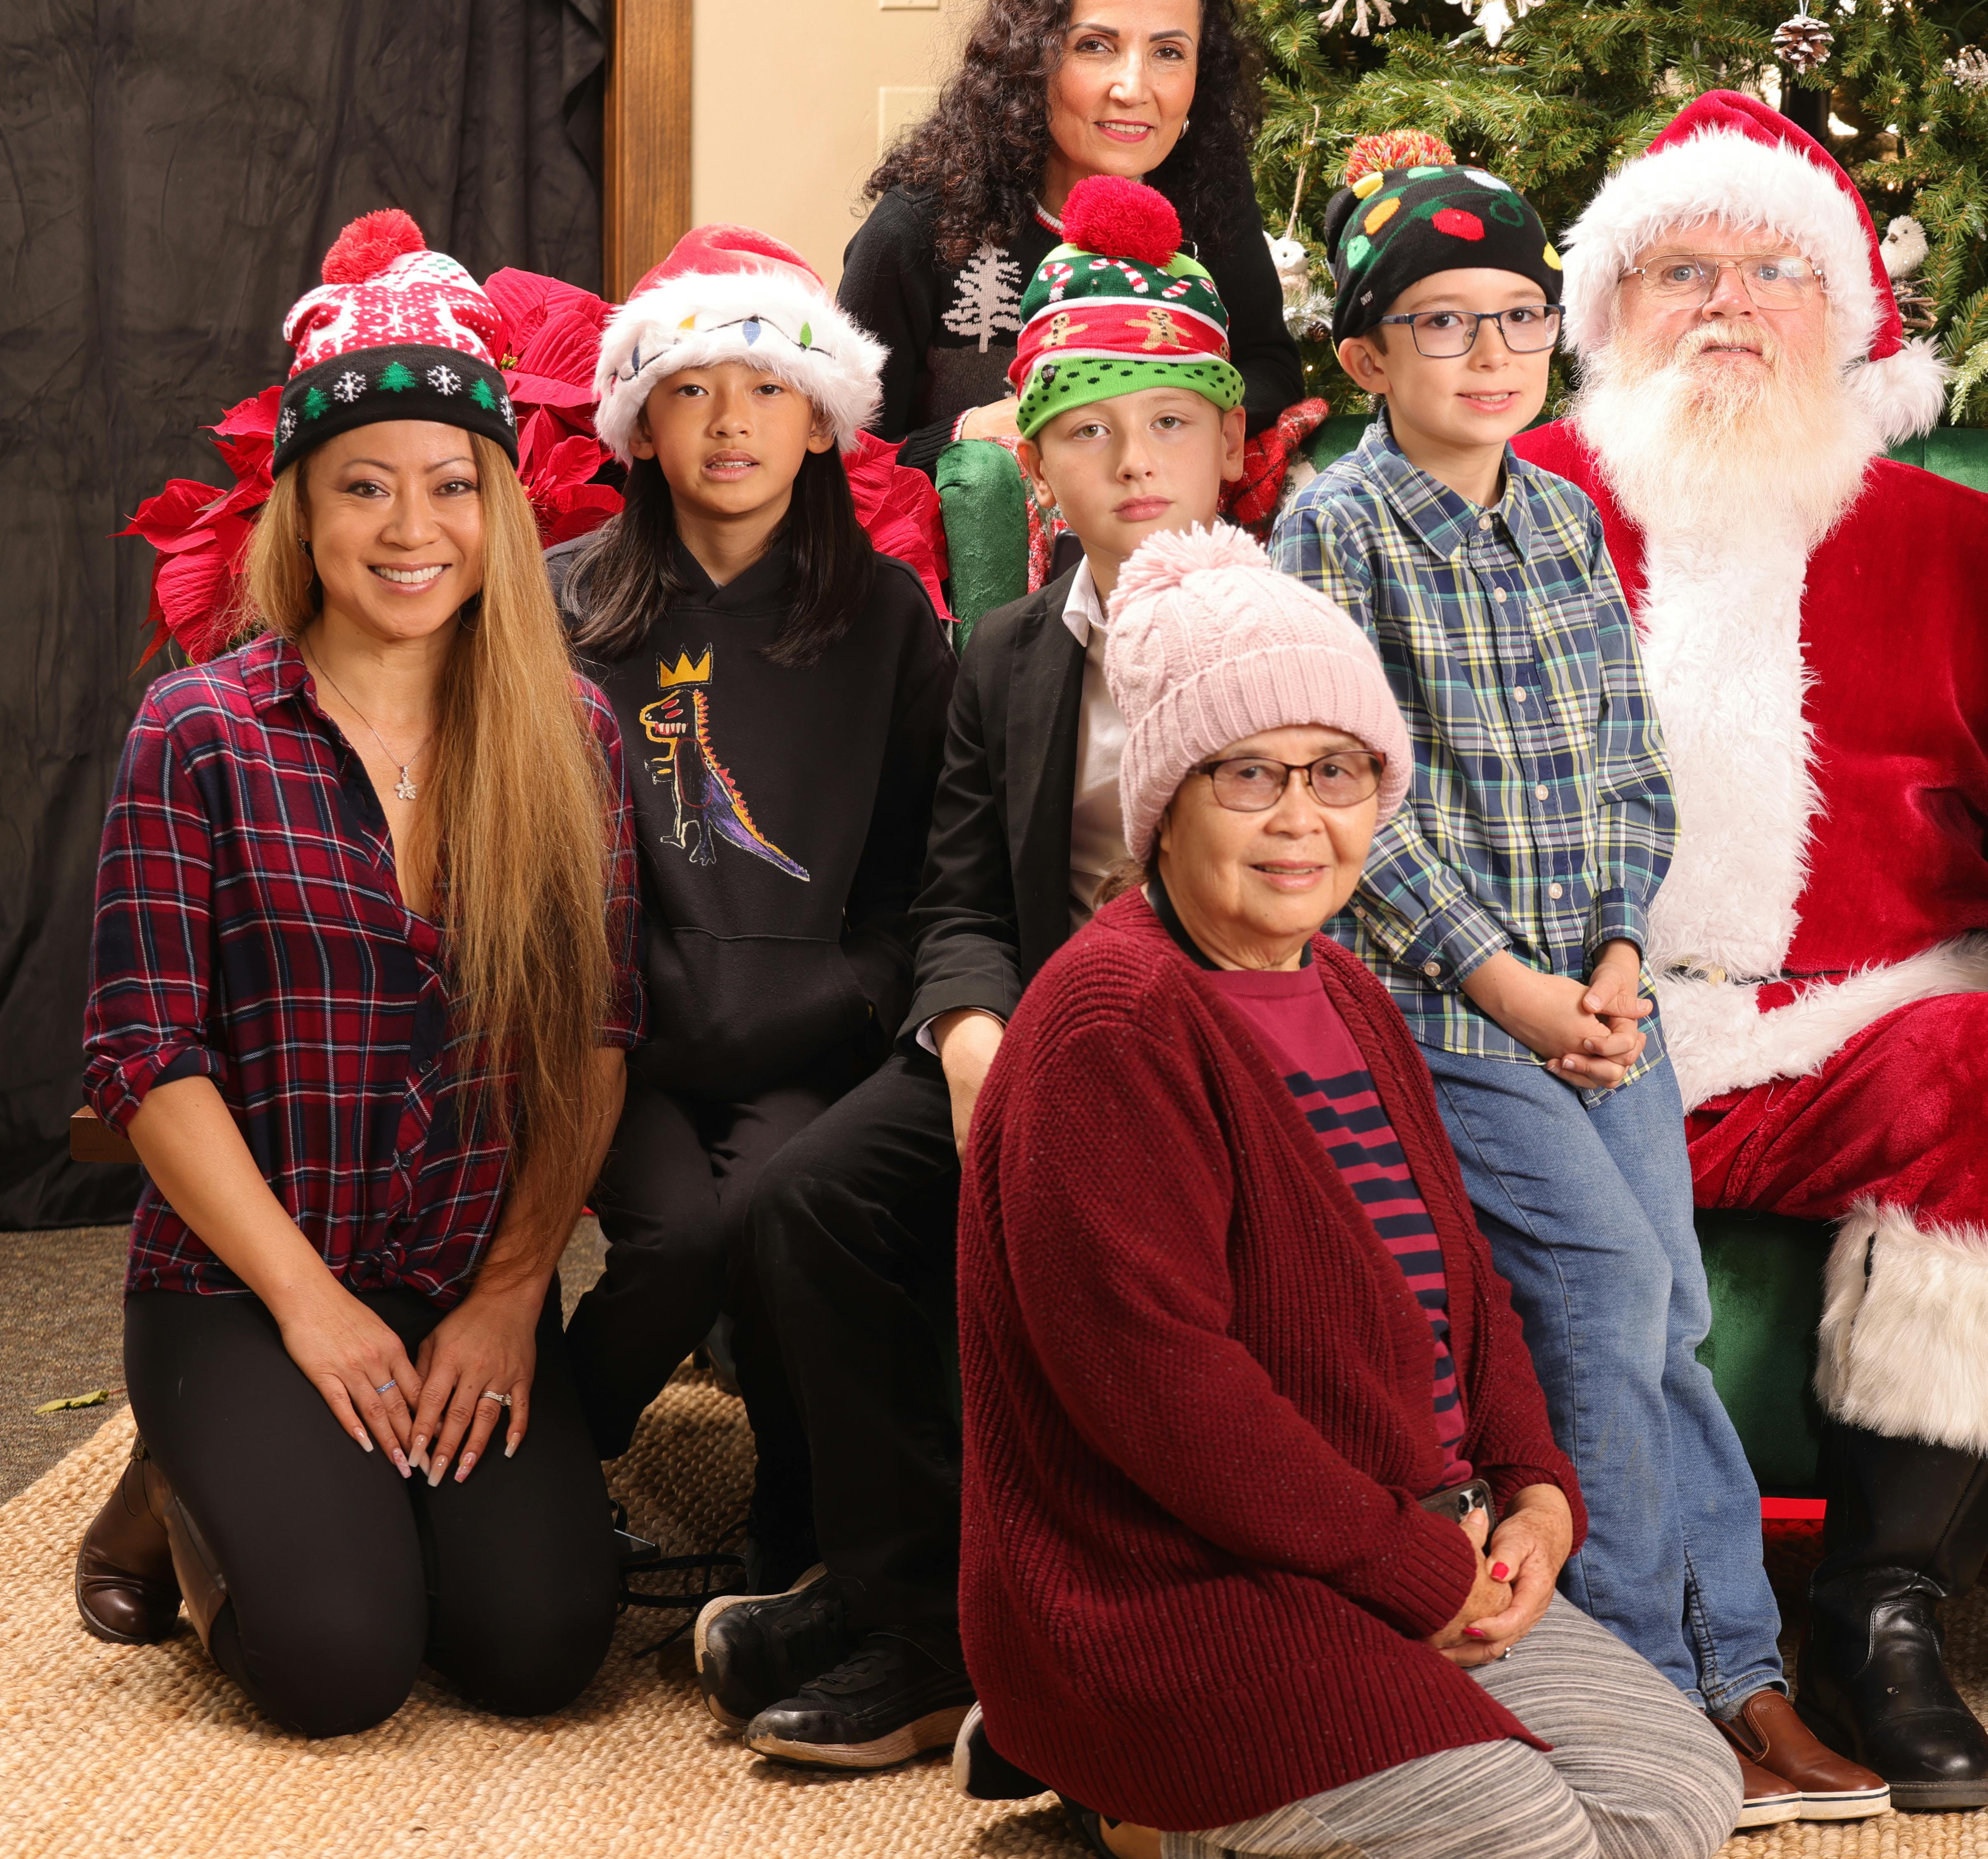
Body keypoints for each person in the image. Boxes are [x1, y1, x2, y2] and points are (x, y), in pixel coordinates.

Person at [950, 526, 1741, 1859]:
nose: (1300, 818)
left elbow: (1466, 1288)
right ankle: (1116, 1794)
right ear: (1167, 805)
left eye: (1340, 771)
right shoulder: (1112, 1022)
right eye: (1248, 774)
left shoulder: (1353, 993)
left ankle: (1304, 1759)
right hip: (1169, 1579)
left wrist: (1534, 1488)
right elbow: (1166, 1395)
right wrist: (1413, 1573)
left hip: (1387, 1533)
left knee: (1672, 1800)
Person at [1514, 90, 1988, 1812]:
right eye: (1681, 265)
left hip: (1857, 1034)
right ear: (1602, 314)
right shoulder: (1500, 508)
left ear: (1847, 319)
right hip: (1551, 1029)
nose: (1727, 300)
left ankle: (1889, 1607)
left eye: (1777, 267)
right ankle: (1555, 1625)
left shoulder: (1946, 540)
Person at [1275, 135, 1885, 1828]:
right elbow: (1349, 810)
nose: (1487, 357)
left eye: (1518, 321)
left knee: (1672, 1312)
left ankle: (1735, 1663)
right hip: (1443, 1017)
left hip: (1592, 1007)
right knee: (1606, 1300)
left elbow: (1631, 769)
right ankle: (1634, 1681)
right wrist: (1512, 985)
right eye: (1443, 325)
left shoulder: (1554, 513)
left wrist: (1614, 951)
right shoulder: (1335, 531)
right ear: (1364, 356)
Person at [706, 177, 1264, 1769]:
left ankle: (1043, 1616)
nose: (1134, 461)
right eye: (1091, 432)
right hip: (1018, 1026)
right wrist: (966, 1036)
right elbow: (959, 891)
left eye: (1170, 424)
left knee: (1084, 1235)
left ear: (1229, 445)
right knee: (807, 1200)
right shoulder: (1007, 650)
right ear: (1038, 464)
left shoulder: (1279, 624)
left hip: (1203, 1043)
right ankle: (909, 1602)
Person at [74, 212, 637, 1736]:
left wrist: (514, 1292)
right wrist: (313, 1310)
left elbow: (593, 1040)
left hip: (458, 1270)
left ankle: (319, 1476)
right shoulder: (200, 729)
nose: (412, 526)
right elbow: (149, 1060)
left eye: (452, 484)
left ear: (500, 508)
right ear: (302, 513)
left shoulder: (571, 733)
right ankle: (180, 1485)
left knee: (540, 1649)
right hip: (247, 1282)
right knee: (337, 1664)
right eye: (365, 486)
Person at [551, 224, 954, 1605]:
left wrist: (838, 997)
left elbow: (918, 876)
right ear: (639, 428)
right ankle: (543, 1469)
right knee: (673, 1240)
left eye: (769, 387)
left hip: (804, 1028)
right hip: (622, 1034)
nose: (731, 421)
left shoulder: (892, 620)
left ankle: (804, 1510)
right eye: (690, 389)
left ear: (826, 422)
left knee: (777, 1216)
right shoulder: (561, 605)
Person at [841, 0, 1303, 476]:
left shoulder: (1210, 198)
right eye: (1095, 46)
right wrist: (974, 432)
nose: (1134, 89)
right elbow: (845, 458)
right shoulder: (916, 228)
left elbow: (1271, 370)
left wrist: (1162, 410)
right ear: (1031, 60)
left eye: (1169, 53)